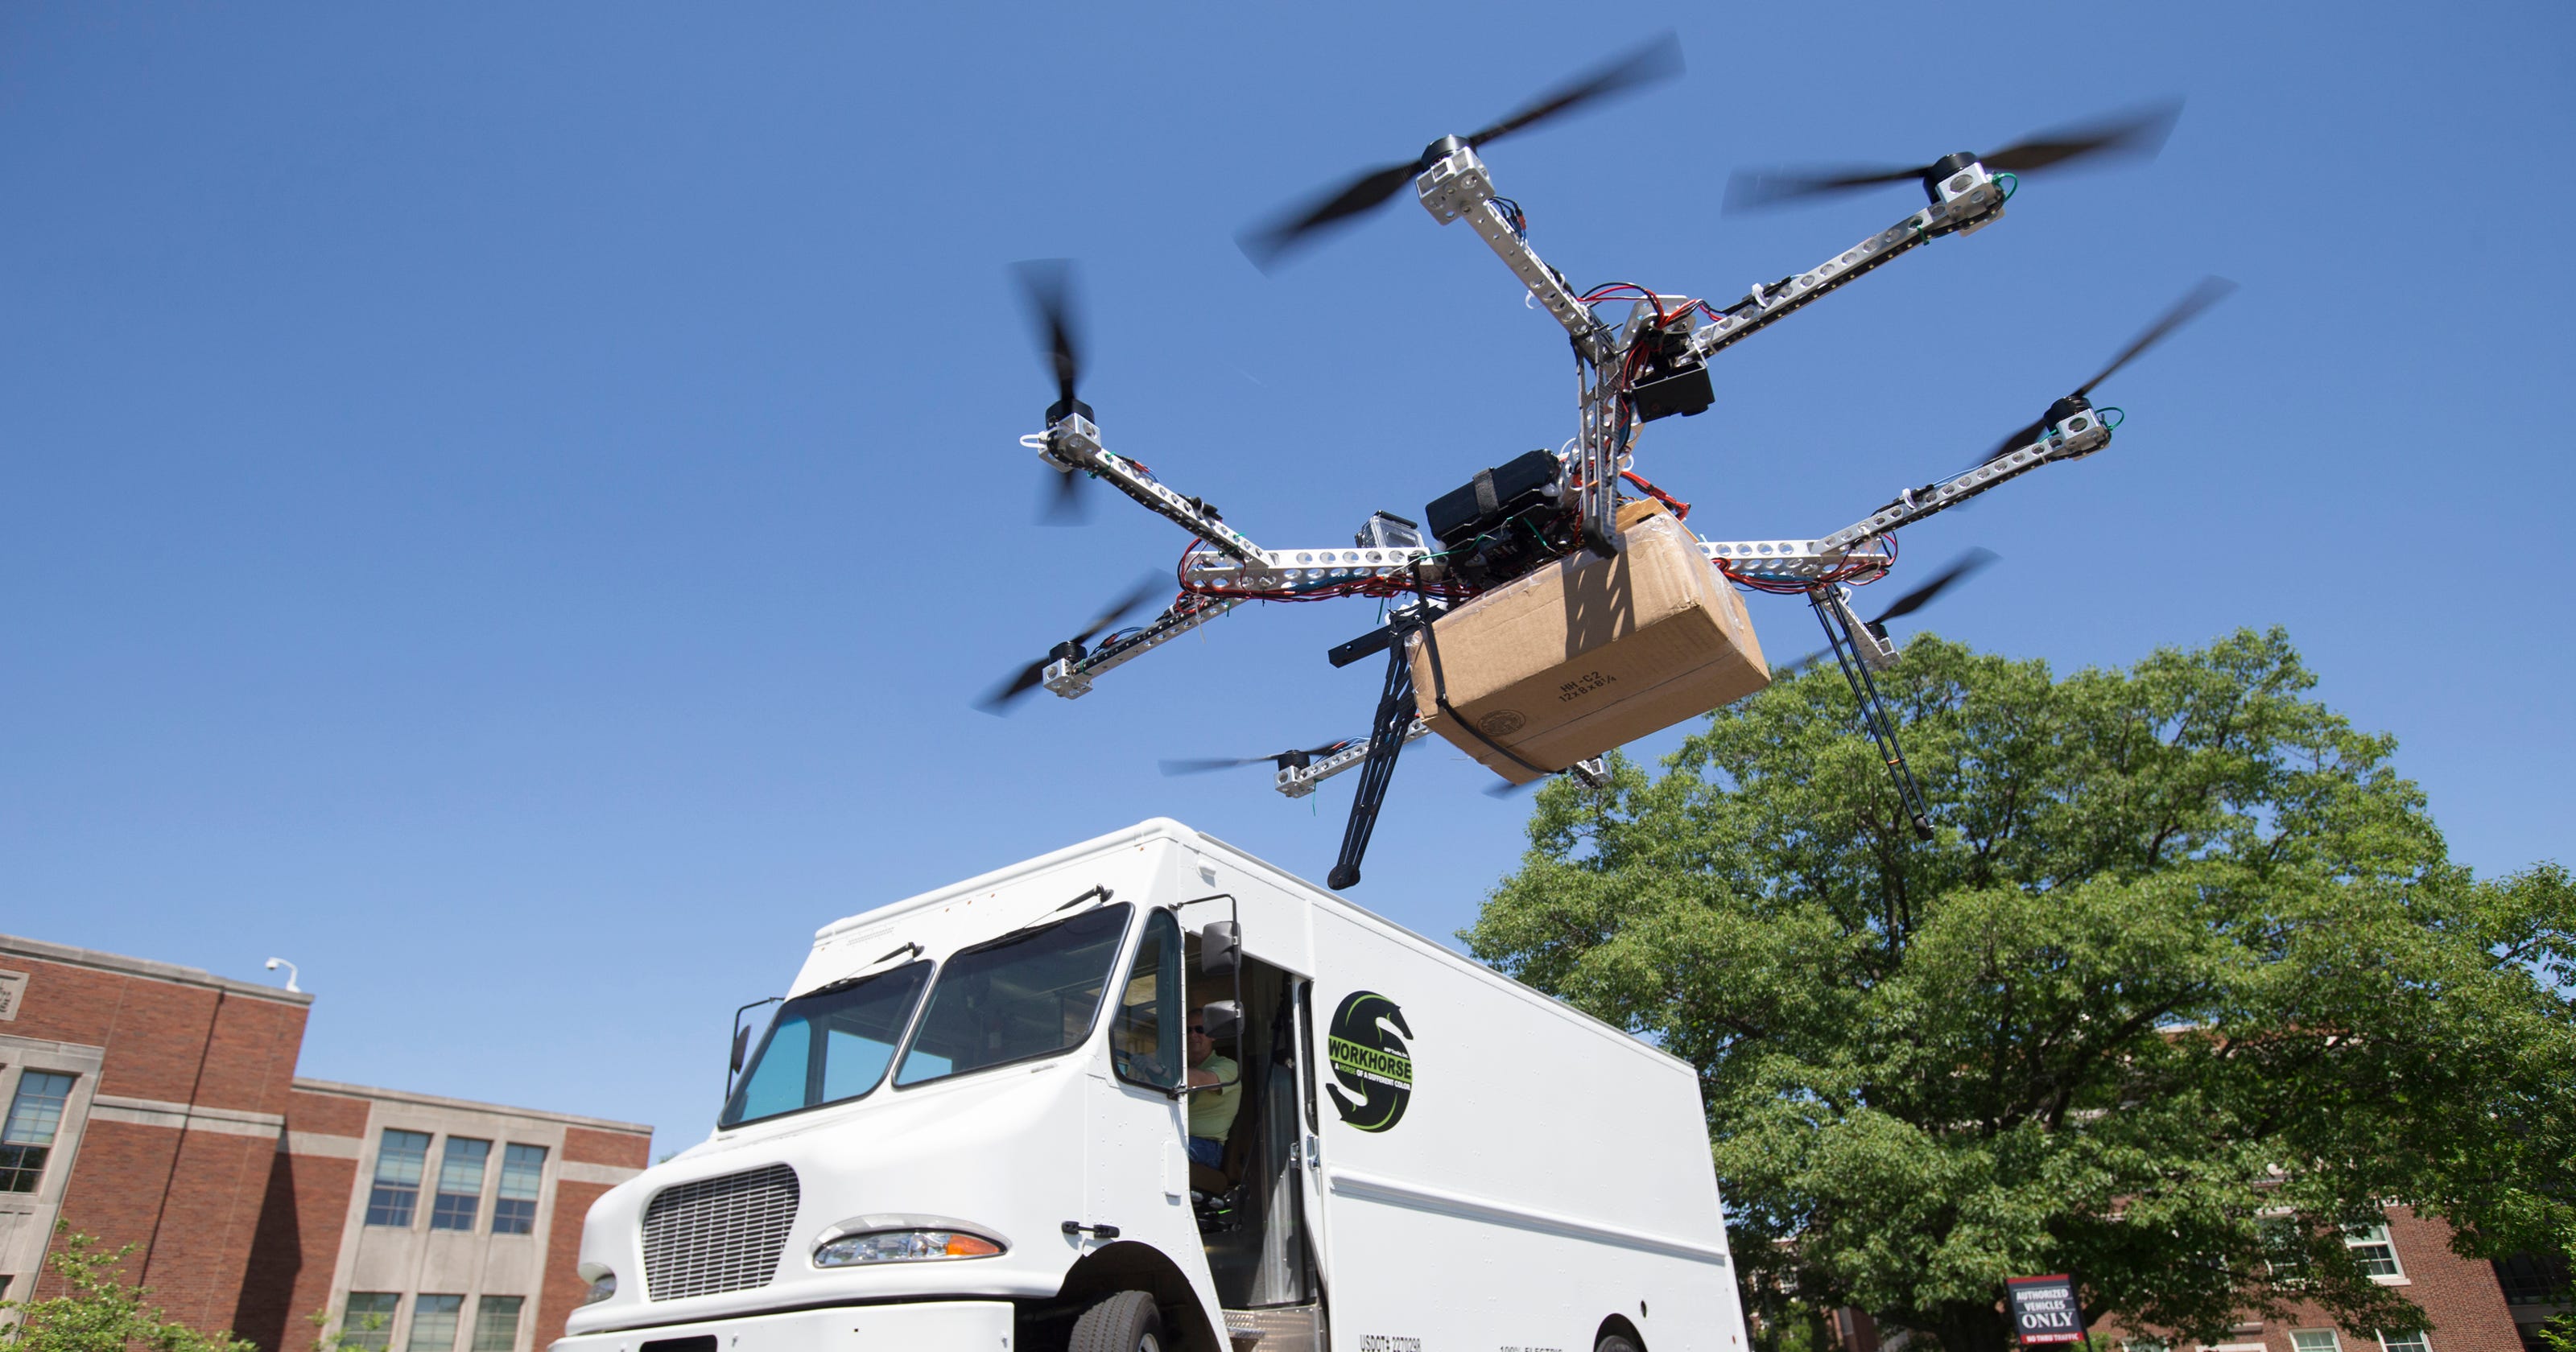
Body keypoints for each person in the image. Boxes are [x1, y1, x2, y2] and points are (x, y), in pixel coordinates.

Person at [1183, 1008, 1240, 1170]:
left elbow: (1201, 1080)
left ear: (1212, 1035)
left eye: (1200, 1030)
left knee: (1159, 1152)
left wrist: (1164, 1071)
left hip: (1207, 1147)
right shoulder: (1180, 1067)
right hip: (1175, 1136)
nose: (1193, 1035)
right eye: (1187, 1030)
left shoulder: (1229, 1066)